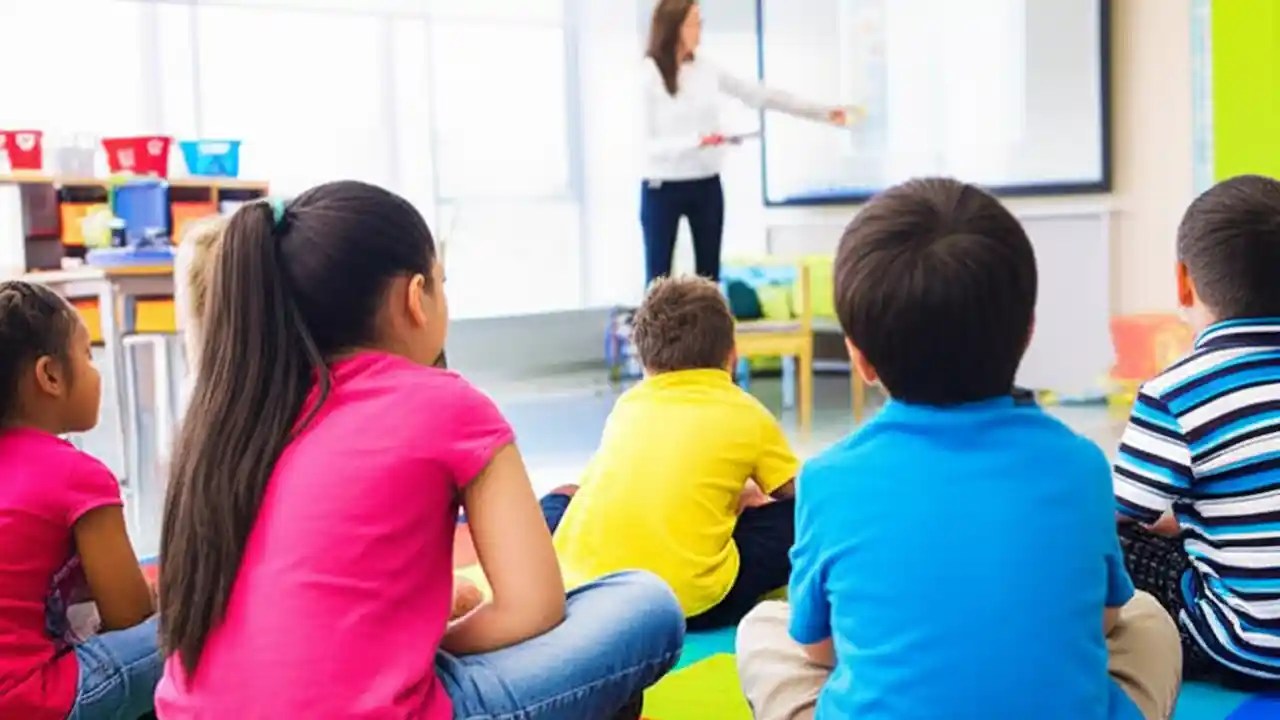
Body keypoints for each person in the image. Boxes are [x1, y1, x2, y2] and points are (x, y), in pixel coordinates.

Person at [154, 182, 684, 720]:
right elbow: (533, 607)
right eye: (441, 283)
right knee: (643, 603)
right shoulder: (445, 403)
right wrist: (428, 647)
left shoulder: (227, 418)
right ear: (415, 298)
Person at [735, 178, 1182, 720]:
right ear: (1027, 333)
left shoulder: (828, 480)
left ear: (860, 357)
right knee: (1150, 621)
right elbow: (1106, 620)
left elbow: (817, 649)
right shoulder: (1081, 465)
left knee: (762, 631)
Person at [553, 276, 800, 630]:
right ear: (732, 355)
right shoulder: (746, 412)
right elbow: (798, 493)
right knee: (801, 518)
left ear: (643, 360)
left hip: (591, 592)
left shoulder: (629, 404)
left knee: (564, 499)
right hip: (693, 604)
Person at [1114, 174, 1280, 689]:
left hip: (1245, 647)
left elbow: (1113, 518)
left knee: (1110, 540)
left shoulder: (1178, 392)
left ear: (1183, 282)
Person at [0, 280, 161, 720]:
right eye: (88, 355)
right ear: (50, 376)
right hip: (33, 699)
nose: (95, 372)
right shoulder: (77, 475)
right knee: (191, 627)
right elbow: (130, 619)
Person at [641, 0, 850, 285]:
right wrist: (697, 141)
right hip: (662, 187)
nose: (701, 29)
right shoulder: (648, 74)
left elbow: (761, 95)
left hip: (706, 184)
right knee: (658, 278)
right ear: (675, 27)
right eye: (694, 22)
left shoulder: (706, 69)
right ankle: (656, 330)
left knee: (709, 278)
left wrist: (823, 112)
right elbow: (646, 146)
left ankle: (710, 330)